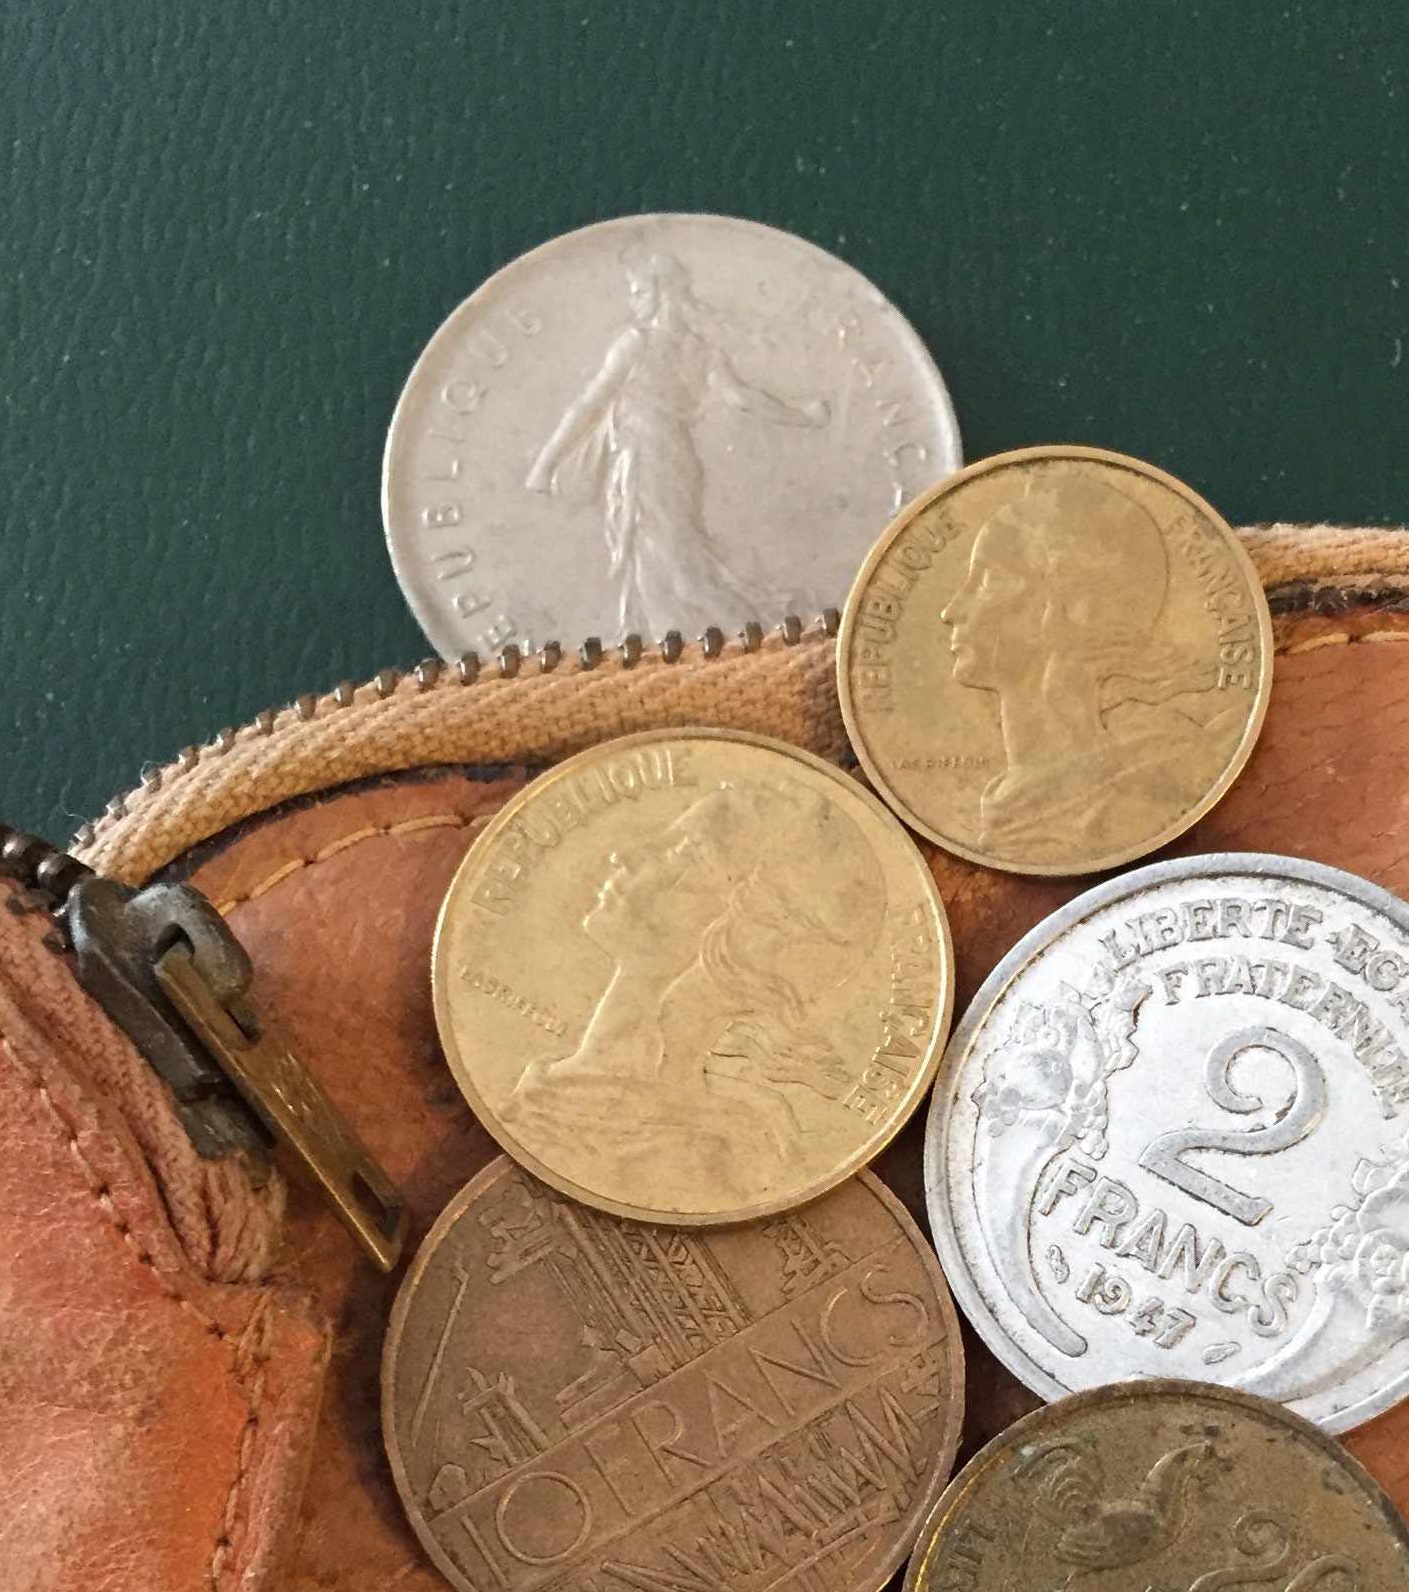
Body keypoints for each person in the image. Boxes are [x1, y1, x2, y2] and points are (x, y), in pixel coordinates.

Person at [504, 778, 884, 1208]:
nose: (625, 855)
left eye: (682, 851)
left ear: (738, 927)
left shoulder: (697, 1152)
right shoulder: (554, 1082)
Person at [525, 245, 828, 635]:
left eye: (639, 292)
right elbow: (745, 399)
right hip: (677, 459)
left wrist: (544, 464)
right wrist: (802, 414)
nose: (632, 302)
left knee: (670, 564)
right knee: (675, 560)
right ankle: (686, 637)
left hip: (645, 459)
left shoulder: (637, 342)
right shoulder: (700, 350)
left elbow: (590, 403)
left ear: (662, 293)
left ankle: (735, 634)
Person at [940, 473, 1239, 862]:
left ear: (1076, 609)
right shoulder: (1013, 802)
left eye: (990, 580)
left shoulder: (1140, 791)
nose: (951, 610)